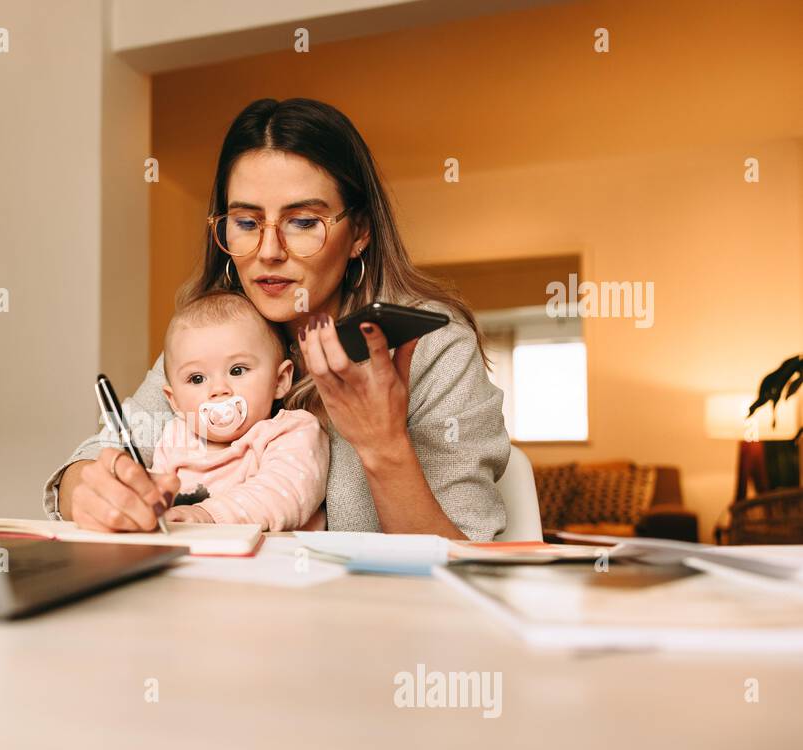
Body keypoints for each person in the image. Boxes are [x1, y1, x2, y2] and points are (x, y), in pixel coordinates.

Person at [44, 97, 509, 540]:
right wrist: (87, 488)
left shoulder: (430, 346)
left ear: (360, 232)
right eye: (246, 223)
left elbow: (467, 563)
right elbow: (93, 461)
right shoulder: (213, 335)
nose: (268, 252)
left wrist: (384, 446)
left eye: (303, 222)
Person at [153, 289, 329, 531]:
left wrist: (207, 514)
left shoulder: (291, 431)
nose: (218, 389)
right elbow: (156, 497)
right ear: (175, 402)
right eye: (196, 378)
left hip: (271, 564)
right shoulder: (175, 438)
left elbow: (282, 493)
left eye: (237, 370)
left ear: (279, 381)